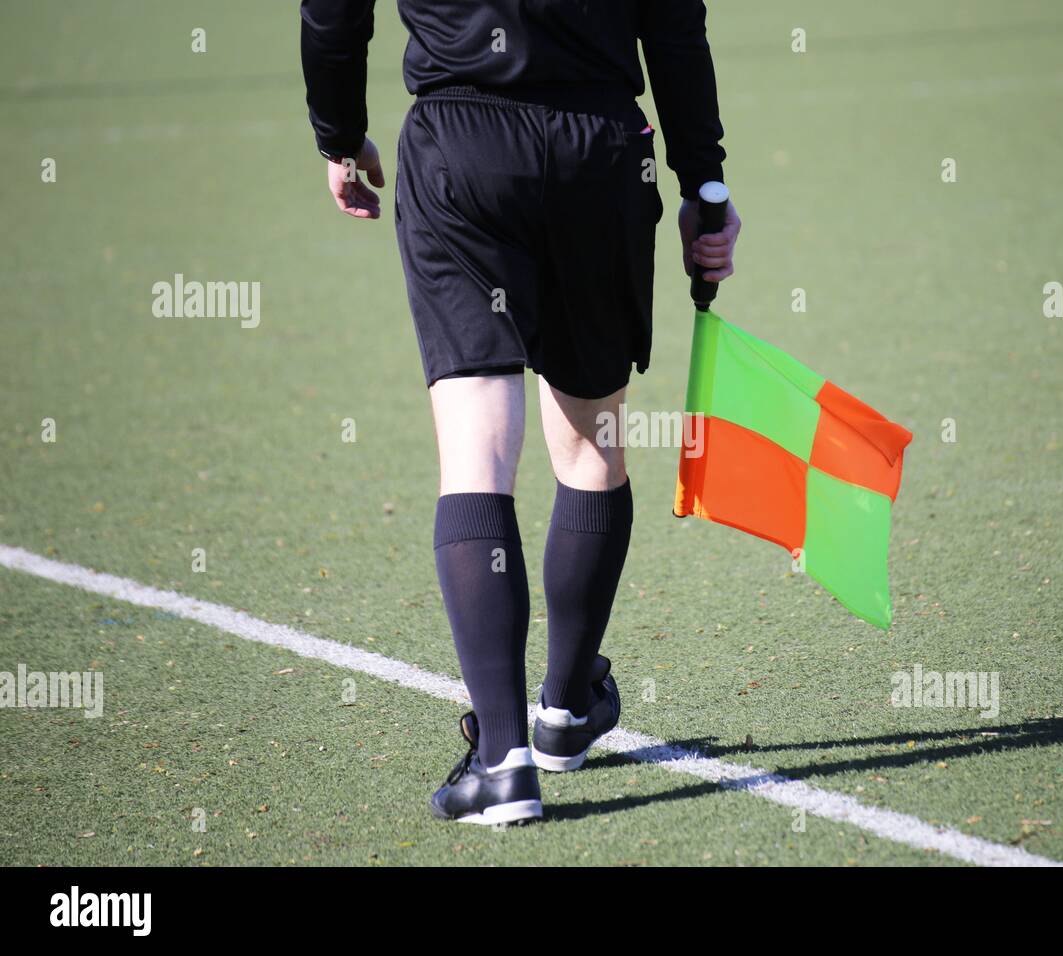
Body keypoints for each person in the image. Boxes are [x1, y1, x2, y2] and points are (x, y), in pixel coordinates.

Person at [300, 0, 740, 825]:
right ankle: (567, 711)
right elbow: (675, 21)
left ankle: (501, 759)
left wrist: (339, 133)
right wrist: (704, 184)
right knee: (594, 443)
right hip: (601, 153)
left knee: (476, 450)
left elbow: (332, 11)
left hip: (461, 152)